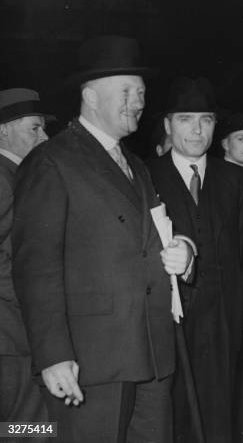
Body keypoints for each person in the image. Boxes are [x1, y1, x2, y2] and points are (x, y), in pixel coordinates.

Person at [12, 36, 194, 443]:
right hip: (91, 361)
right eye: (126, 91)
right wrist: (54, 355)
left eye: (142, 93)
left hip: (149, 352)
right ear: (90, 97)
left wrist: (182, 251)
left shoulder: (135, 165)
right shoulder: (52, 162)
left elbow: (150, 236)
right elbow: (36, 267)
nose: (138, 101)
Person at [147, 77, 243, 443]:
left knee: (222, 414)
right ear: (167, 125)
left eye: (205, 119)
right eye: (185, 119)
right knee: (172, 416)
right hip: (169, 319)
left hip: (224, 320)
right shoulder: (145, 175)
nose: (196, 129)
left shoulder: (237, 179)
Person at [0, 88, 49, 425]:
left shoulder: (18, 175)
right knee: (27, 425)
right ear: (3, 129)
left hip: (16, 333)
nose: (44, 137)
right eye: (35, 128)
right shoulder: (4, 179)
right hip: (13, 334)